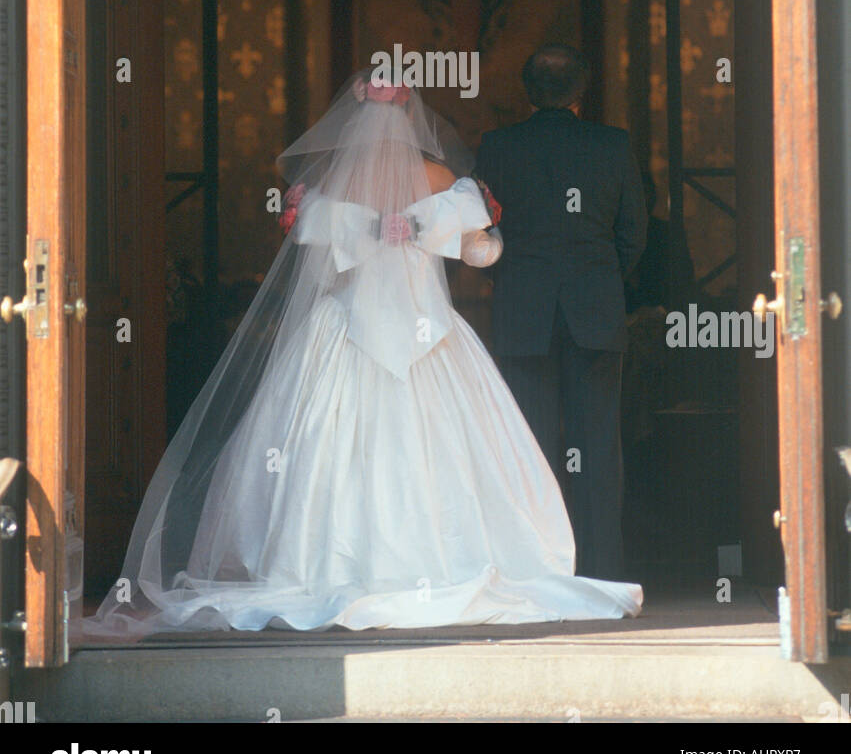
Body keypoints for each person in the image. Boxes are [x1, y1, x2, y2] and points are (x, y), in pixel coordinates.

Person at [84, 69, 641, 636]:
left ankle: (322, 567)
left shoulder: (334, 187)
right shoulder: (443, 179)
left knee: (316, 449)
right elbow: (481, 256)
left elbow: (320, 269)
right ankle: (453, 563)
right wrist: (484, 234)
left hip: (344, 329)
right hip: (429, 335)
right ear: (410, 117)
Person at [476, 44, 647, 581]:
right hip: (594, 312)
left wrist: (513, 280)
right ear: (582, 91)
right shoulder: (612, 145)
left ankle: (540, 574)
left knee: (530, 448)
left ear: (528, 91)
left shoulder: (498, 146)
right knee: (598, 449)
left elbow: (480, 237)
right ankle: (603, 575)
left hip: (522, 314)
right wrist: (594, 281)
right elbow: (633, 235)